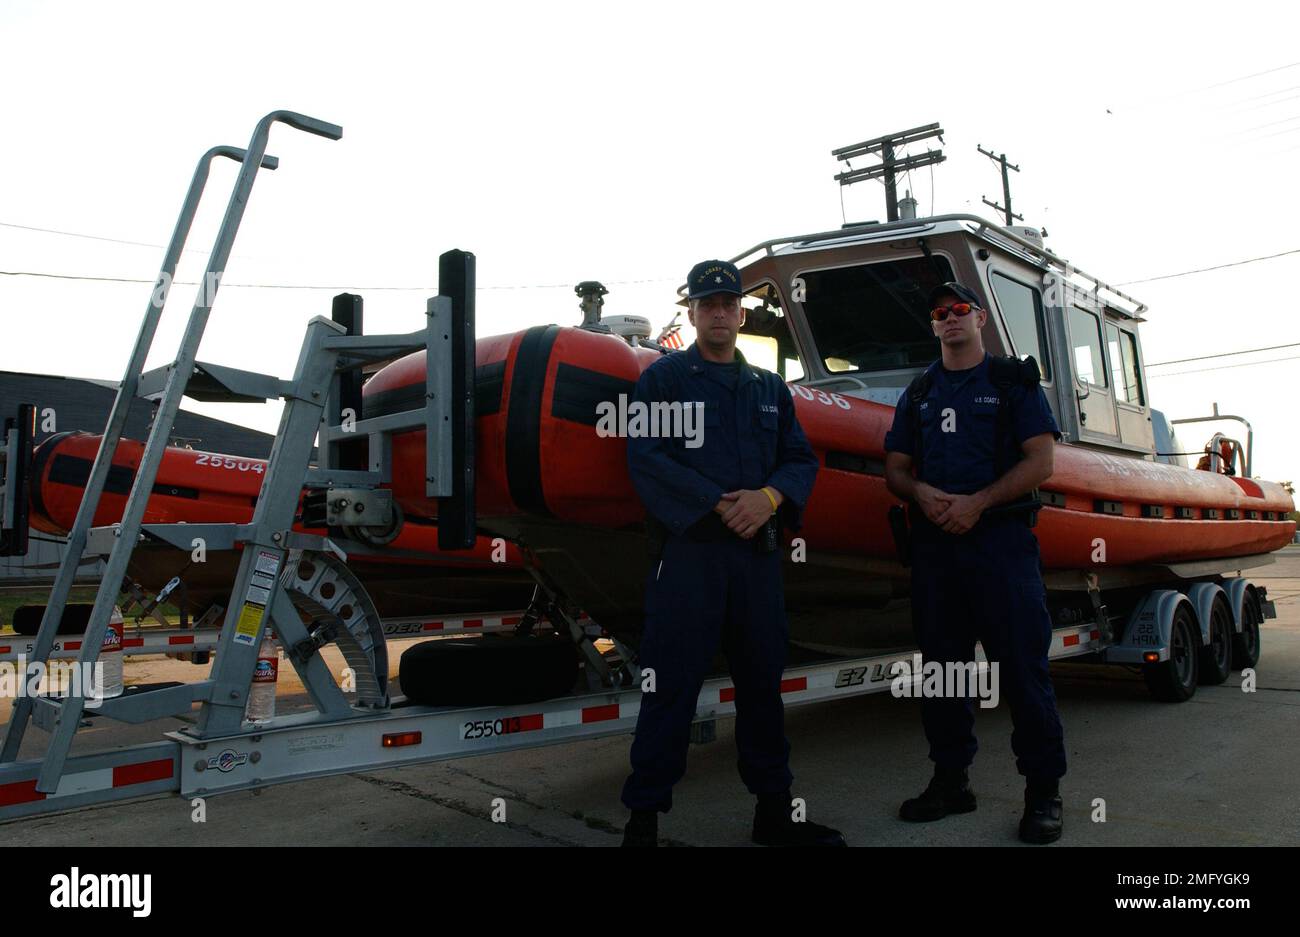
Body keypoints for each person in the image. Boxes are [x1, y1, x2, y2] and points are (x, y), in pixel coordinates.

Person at [619, 259, 845, 847]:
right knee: (668, 687)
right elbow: (645, 456)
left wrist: (769, 497)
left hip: (756, 562)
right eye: (707, 303)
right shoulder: (664, 381)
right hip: (691, 555)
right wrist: (718, 503)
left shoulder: (768, 388)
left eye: (728, 303)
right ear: (692, 313)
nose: (719, 312)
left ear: (741, 313)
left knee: (762, 685)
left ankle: (773, 813)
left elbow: (799, 461)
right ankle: (642, 822)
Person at [882, 281, 1067, 844]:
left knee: (1022, 670)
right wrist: (921, 494)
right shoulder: (919, 393)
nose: (950, 318)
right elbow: (896, 467)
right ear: (934, 325)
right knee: (942, 671)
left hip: (1001, 545)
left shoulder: (1011, 382)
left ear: (979, 318)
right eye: (940, 312)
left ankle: (1043, 793)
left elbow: (1041, 461)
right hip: (938, 549)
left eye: (960, 309)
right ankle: (951, 781)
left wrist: (979, 502)